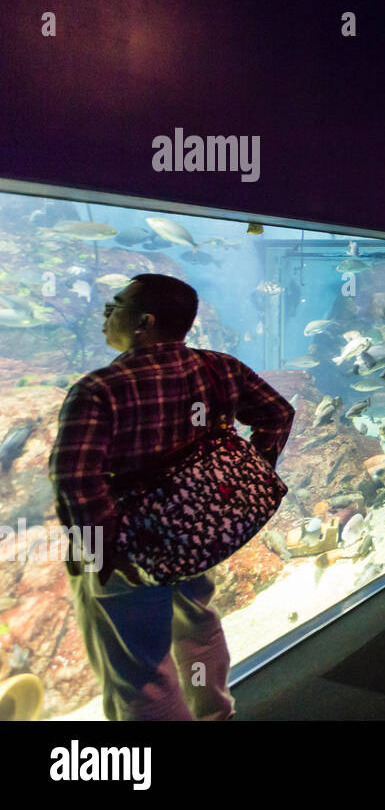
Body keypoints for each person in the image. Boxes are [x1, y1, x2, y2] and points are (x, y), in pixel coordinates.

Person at [49, 274, 294, 720]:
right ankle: (213, 714)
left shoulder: (99, 389)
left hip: (131, 549)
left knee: (140, 667)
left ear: (143, 321)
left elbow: (76, 480)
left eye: (115, 304)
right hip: (195, 537)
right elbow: (278, 413)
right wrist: (249, 477)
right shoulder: (221, 367)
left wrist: (103, 554)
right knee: (196, 626)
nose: (107, 311)